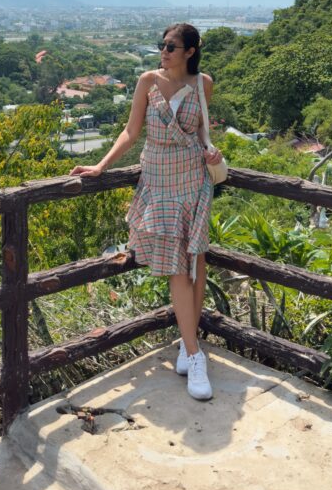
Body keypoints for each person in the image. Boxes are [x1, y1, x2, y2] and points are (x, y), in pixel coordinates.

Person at [70, 22, 223, 400]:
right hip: (158, 180)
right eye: (162, 45)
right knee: (176, 266)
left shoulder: (203, 83)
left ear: (190, 51)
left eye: (171, 47)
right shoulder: (147, 82)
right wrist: (100, 166)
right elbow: (130, 131)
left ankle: (190, 347)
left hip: (193, 178)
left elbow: (202, 131)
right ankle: (192, 352)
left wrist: (212, 150)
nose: (164, 52)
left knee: (196, 263)